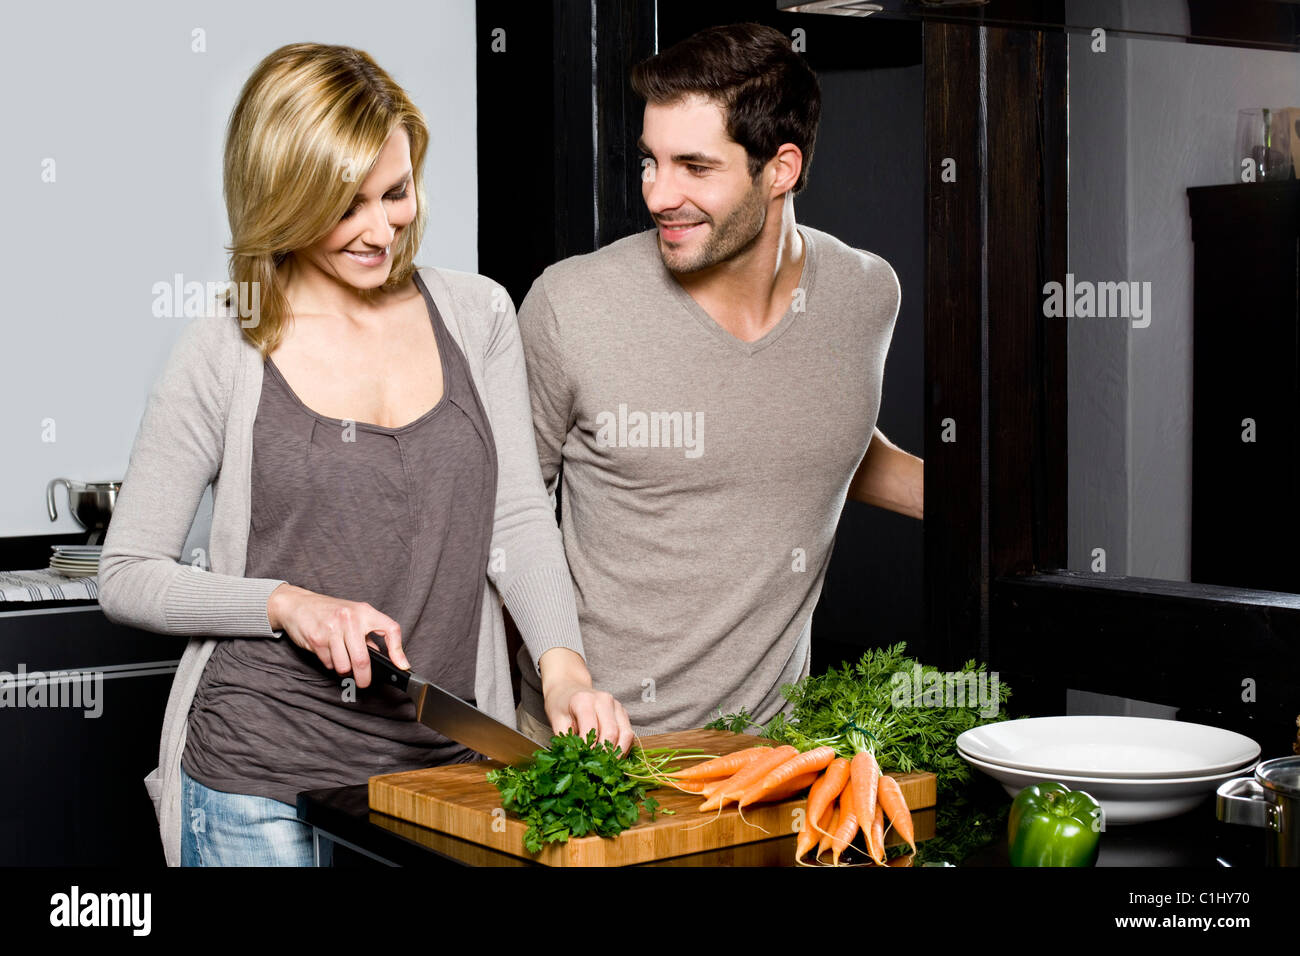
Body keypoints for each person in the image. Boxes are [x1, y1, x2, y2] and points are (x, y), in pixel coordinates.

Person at [98, 42, 630, 868]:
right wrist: (285, 604)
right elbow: (125, 572)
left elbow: (518, 518)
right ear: (284, 197)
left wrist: (564, 671)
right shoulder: (224, 346)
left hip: (446, 774)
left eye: (398, 192)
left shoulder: (476, 314)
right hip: (259, 780)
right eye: (347, 207)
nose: (383, 230)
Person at [514, 22, 923, 736]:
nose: (658, 195)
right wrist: (565, 674)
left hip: (765, 763)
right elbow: (509, 513)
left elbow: (818, 433)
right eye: (651, 161)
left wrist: (989, 509)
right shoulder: (569, 305)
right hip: (581, 757)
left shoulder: (865, 295)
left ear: (781, 170)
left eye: (694, 167)